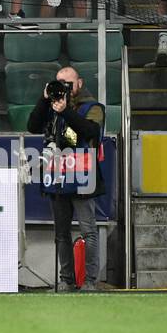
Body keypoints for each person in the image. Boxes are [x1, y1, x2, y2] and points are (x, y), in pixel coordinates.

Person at [27, 65, 105, 292]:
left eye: (68, 83)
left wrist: (65, 111)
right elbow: (32, 126)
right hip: (57, 175)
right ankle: (67, 279)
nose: (64, 87)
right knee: (61, 233)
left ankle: (91, 280)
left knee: (88, 230)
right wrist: (44, 101)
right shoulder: (51, 107)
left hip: (83, 175)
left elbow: (90, 131)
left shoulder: (93, 107)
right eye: (59, 82)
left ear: (79, 83)